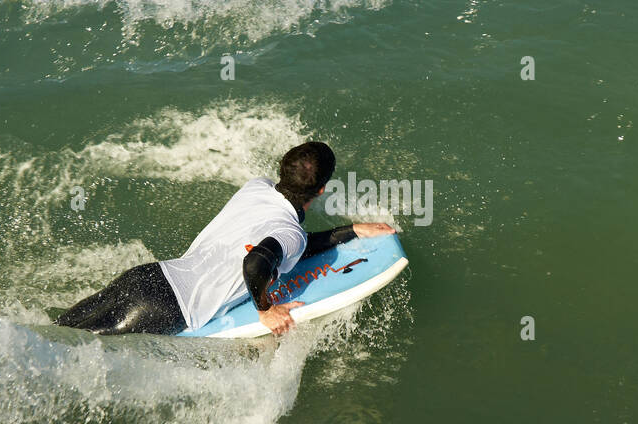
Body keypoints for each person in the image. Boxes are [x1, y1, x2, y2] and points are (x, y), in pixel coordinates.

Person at [55, 141, 394, 336]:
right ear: (321, 190)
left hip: (146, 278)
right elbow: (257, 260)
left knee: (56, 334)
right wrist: (266, 309)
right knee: (68, 357)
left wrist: (350, 231)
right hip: (166, 308)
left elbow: (289, 241)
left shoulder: (257, 186)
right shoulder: (290, 235)